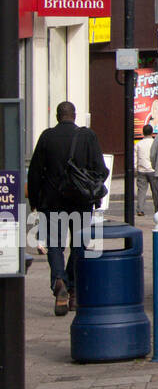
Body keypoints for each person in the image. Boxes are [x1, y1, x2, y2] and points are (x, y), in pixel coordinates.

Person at [27, 102, 107, 315]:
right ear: (75, 116)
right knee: (79, 245)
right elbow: (100, 169)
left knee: (54, 245)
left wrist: (34, 200)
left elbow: (34, 171)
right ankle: (71, 289)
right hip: (81, 202)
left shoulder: (46, 137)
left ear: (57, 116)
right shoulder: (87, 136)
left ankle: (60, 281)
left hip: (52, 201)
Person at [134, 123, 158, 216]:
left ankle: (140, 210)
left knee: (141, 191)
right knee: (155, 191)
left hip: (141, 170)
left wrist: (135, 168)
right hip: (153, 170)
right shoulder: (155, 143)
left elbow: (135, 158)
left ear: (143, 133)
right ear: (152, 132)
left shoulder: (138, 144)